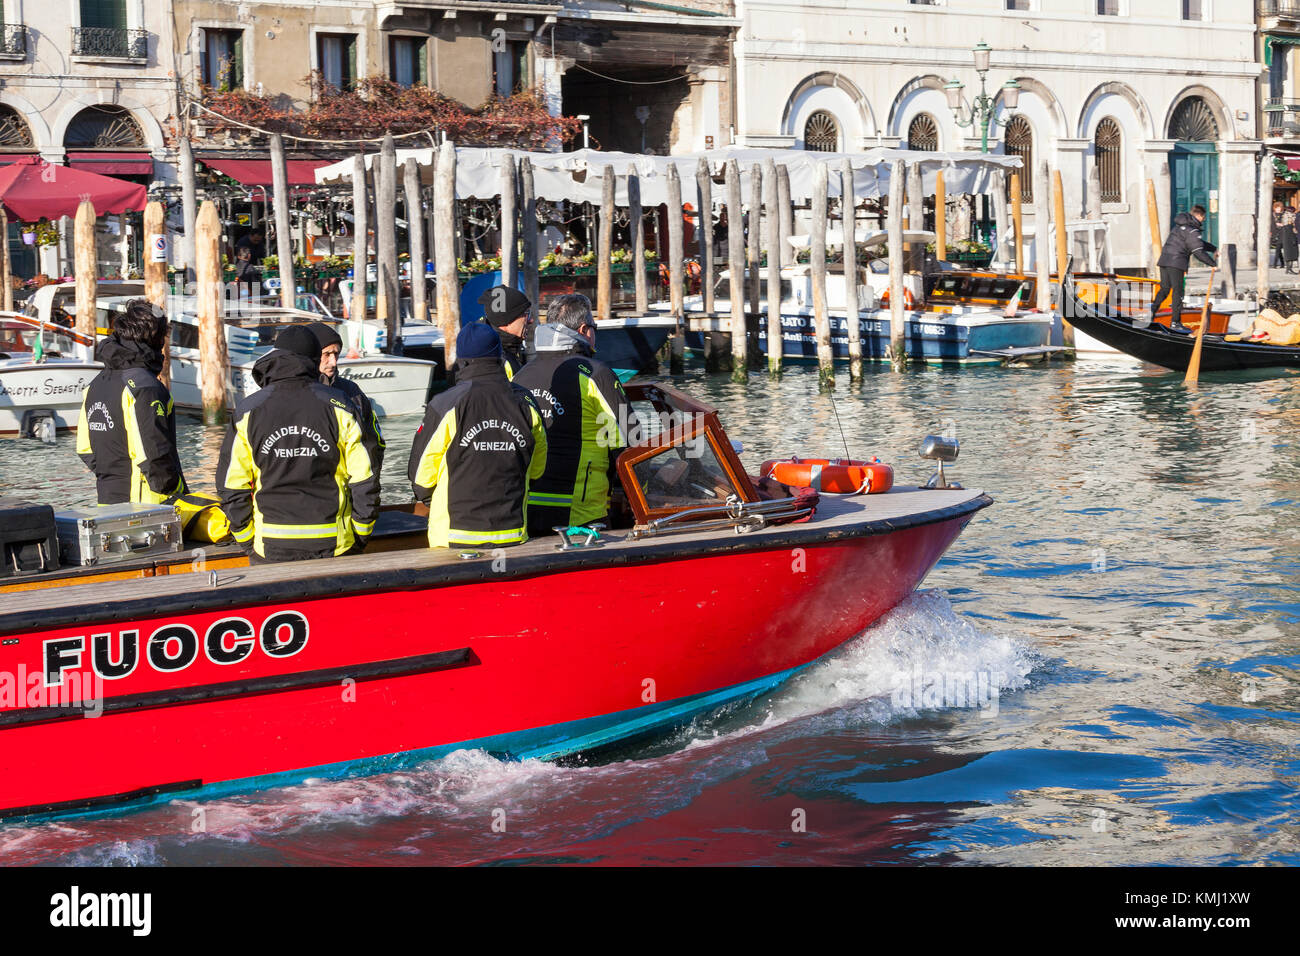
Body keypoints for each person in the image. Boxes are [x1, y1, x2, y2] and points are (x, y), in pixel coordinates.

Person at [217, 325, 379, 563]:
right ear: (314, 360)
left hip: (270, 546)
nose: (332, 362)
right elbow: (365, 477)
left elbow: (232, 485)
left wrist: (247, 540)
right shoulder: (341, 406)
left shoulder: (248, 411)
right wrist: (360, 534)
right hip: (335, 544)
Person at [407, 323, 547, 549]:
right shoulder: (526, 402)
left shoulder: (447, 403)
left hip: (454, 537)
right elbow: (538, 468)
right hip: (511, 534)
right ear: (499, 356)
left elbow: (421, 476)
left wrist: (434, 500)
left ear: (462, 359)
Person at [511, 294, 635, 538]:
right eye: (594, 328)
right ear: (584, 330)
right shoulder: (595, 373)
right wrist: (641, 490)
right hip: (580, 511)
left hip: (527, 506)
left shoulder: (521, 376)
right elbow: (628, 437)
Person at [76, 298, 187, 506]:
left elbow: (85, 449)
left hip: (108, 501)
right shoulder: (145, 387)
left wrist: (113, 475)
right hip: (147, 506)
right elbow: (154, 454)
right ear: (156, 337)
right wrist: (175, 491)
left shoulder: (95, 385)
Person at [308, 321, 385, 474]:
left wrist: (368, 485)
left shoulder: (351, 391)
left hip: (349, 486)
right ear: (312, 355)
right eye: (327, 354)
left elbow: (374, 442)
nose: (333, 362)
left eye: (336, 354)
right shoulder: (293, 392)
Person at [1150, 204, 1216, 334]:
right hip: (1177, 262)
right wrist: (1212, 263)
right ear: (1199, 216)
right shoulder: (1192, 230)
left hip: (1165, 260)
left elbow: (1196, 244)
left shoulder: (1180, 226)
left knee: (1164, 289)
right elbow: (1197, 251)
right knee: (1178, 292)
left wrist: (1213, 248)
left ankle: (1150, 314)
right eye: (1203, 217)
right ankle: (1175, 322)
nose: (1203, 220)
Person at [477, 284, 532, 377]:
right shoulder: (493, 361)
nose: (531, 320)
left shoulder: (505, 347)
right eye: (526, 314)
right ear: (507, 319)